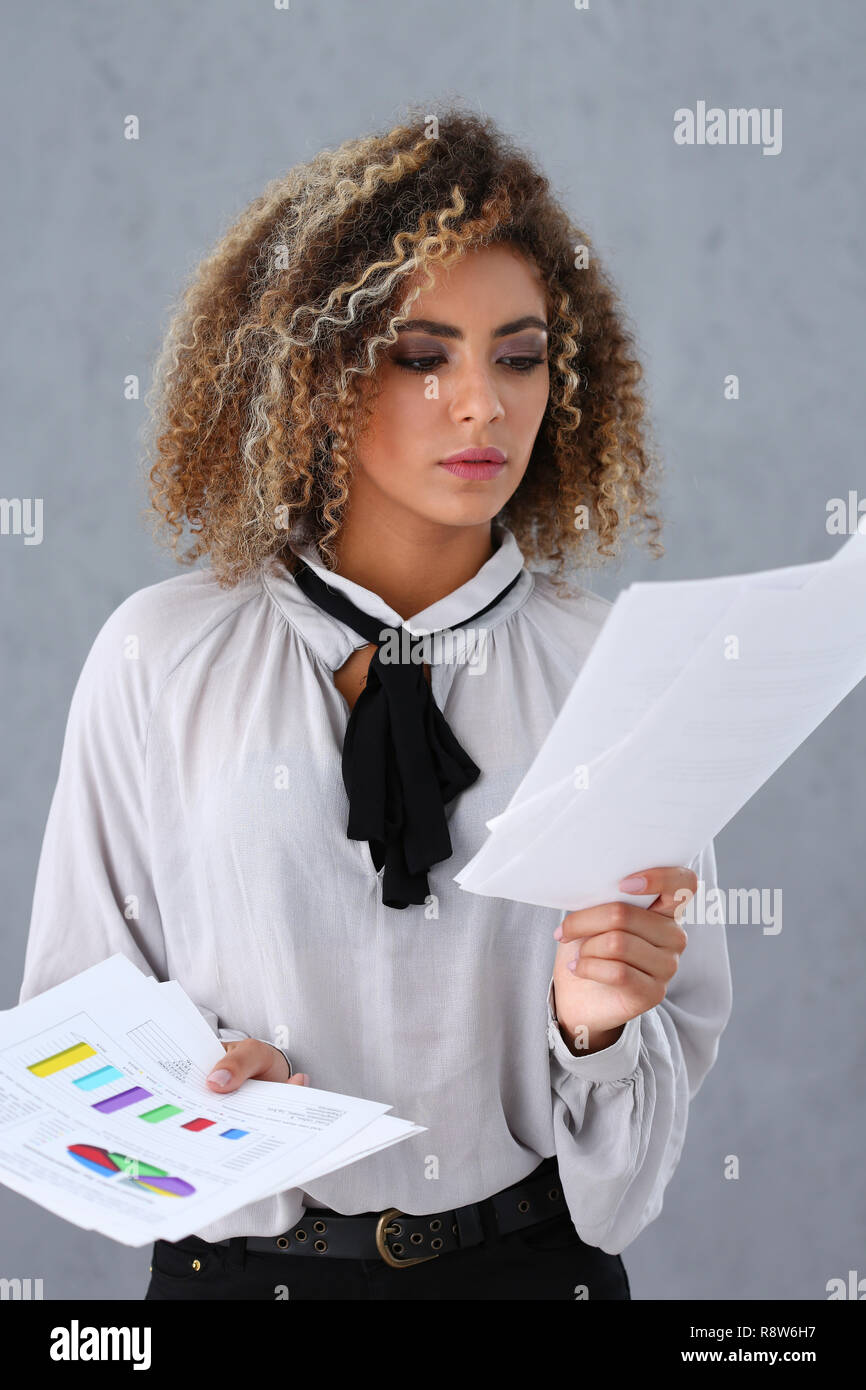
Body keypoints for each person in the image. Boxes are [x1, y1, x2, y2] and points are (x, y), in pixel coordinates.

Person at [19, 104, 732, 1301]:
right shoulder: (160, 653)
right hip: (239, 1283)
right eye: (420, 355)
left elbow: (629, 1185)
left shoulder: (622, 677)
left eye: (518, 354)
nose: (482, 404)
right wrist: (195, 1096)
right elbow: (64, 1039)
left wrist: (597, 1032)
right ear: (316, 376)